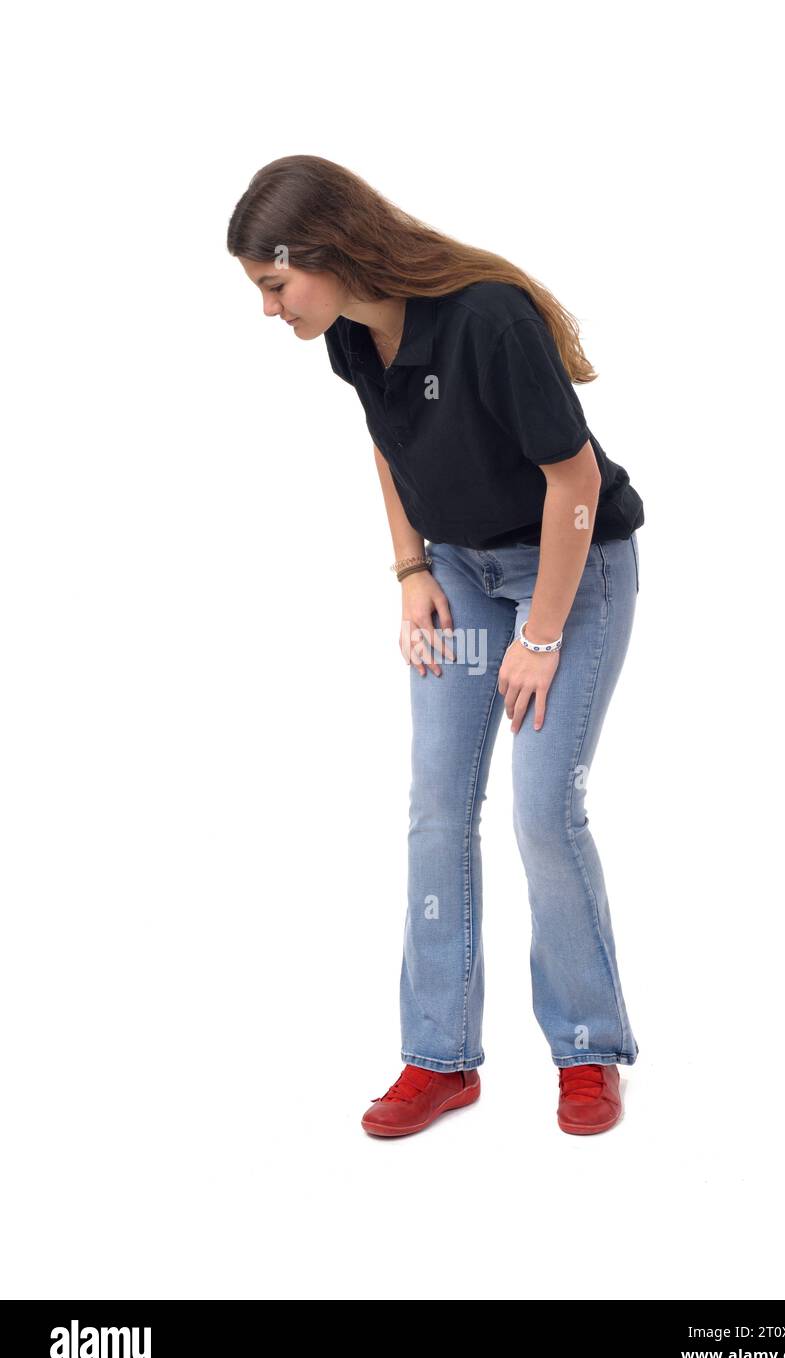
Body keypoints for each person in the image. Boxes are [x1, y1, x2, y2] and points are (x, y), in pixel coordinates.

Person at [227, 155, 644, 1139]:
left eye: (274, 283)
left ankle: (587, 1047)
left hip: (568, 574)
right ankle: (438, 1057)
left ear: (327, 254)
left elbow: (573, 484)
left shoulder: (487, 319)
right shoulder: (350, 338)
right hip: (460, 577)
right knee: (437, 807)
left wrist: (539, 635)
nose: (269, 307)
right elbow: (387, 441)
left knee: (544, 810)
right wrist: (411, 570)